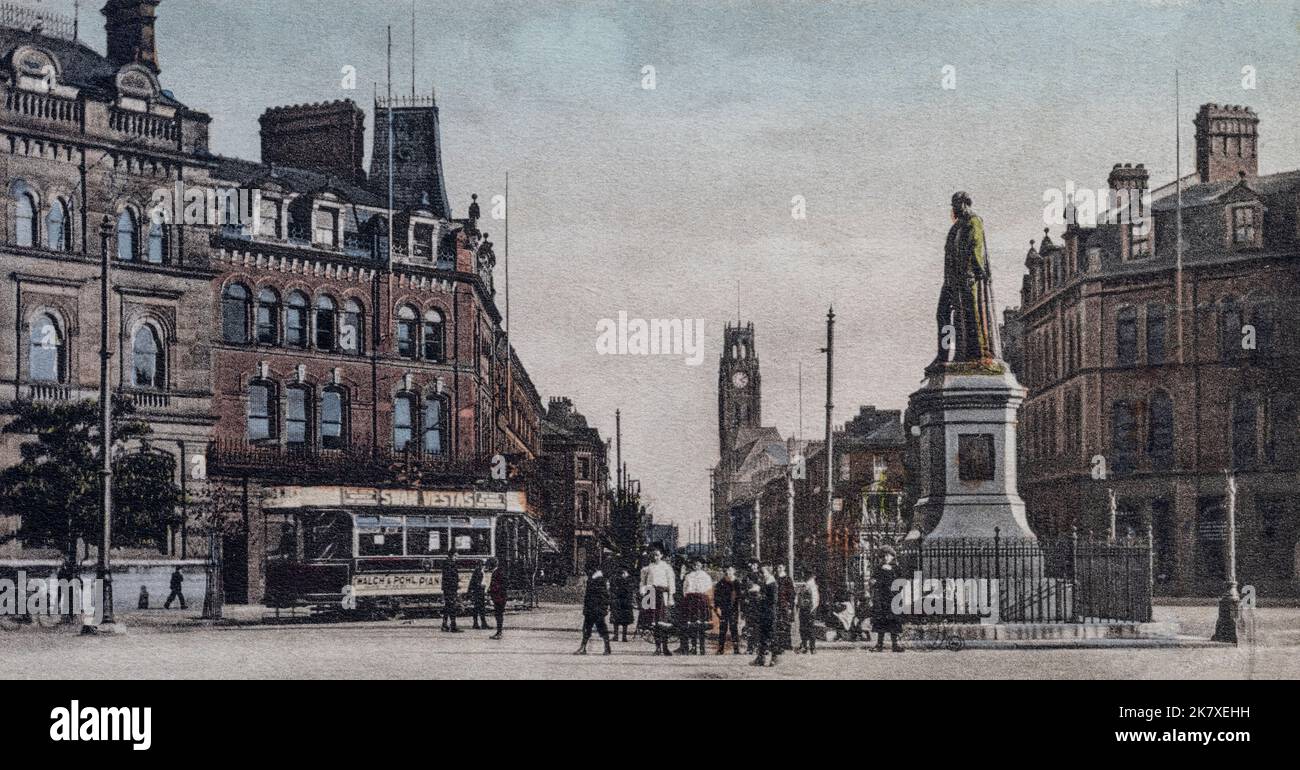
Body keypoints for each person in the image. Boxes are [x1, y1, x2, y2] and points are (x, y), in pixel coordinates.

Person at [639, 546, 676, 656]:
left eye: (658, 555)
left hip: (663, 594)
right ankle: (657, 647)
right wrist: (643, 593)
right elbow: (643, 582)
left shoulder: (667, 567)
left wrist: (670, 596)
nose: (656, 557)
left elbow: (671, 583)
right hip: (651, 593)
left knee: (663, 622)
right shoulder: (648, 568)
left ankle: (665, 647)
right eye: (654, 555)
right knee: (654, 623)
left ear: (662, 555)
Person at [869, 547, 904, 652]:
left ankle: (895, 644)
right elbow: (873, 581)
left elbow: (901, 582)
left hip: (893, 597)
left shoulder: (896, 568)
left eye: (888, 555)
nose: (886, 557)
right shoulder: (878, 568)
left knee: (894, 621)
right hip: (881, 598)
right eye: (883, 556)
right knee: (881, 621)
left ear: (892, 556)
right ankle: (879, 644)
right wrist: (873, 582)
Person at [576, 563, 612, 655]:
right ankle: (606, 648)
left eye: (587, 571)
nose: (586, 573)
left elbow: (604, 596)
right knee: (593, 628)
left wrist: (602, 608)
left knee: (595, 628)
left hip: (595, 609)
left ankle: (605, 648)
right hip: (594, 609)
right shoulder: (596, 579)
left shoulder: (598, 580)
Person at [681, 558, 713, 655]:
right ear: (692, 565)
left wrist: (707, 600)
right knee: (692, 625)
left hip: (702, 601)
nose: (696, 566)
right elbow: (685, 589)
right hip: (691, 601)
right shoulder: (688, 576)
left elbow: (709, 588)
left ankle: (702, 648)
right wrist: (688, 598)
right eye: (695, 565)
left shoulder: (706, 576)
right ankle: (694, 646)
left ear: (701, 565)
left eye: (698, 565)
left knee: (702, 625)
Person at [751, 565, 778, 667]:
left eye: (763, 572)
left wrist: (761, 598)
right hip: (763, 612)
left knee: (771, 636)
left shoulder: (773, 584)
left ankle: (774, 657)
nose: (762, 575)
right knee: (762, 636)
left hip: (770, 613)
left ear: (769, 572)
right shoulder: (764, 583)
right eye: (761, 573)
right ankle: (760, 658)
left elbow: (773, 601)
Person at [713, 566, 742, 655]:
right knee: (723, 628)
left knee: (734, 628)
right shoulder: (721, 582)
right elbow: (717, 594)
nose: (729, 572)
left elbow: (740, 596)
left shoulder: (737, 582)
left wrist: (740, 608)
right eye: (728, 570)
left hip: (734, 608)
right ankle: (720, 649)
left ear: (734, 571)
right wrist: (717, 606)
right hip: (724, 608)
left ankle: (736, 649)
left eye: (731, 570)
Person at [740, 560, 762, 654]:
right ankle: (750, 647)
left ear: (757, 565)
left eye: (755, 564)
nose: (753, 566)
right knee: (749, 625)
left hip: (758, 603)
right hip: (749, 603)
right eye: (751, 564)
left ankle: (758, 647)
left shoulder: (761, 576)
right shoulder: (746, 577)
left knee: (758, 626)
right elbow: (742, 591)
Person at [610, 565, 637, 642]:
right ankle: (618, 636)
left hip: (623, 601)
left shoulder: (627, 579)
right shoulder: (618, 578)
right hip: (622, 601)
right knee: (618, 619)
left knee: (623, 619)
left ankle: (622, 636)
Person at [796, 571, 820, 654]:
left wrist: (811, 609)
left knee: (806, 628)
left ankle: (807, 646)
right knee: (808, 628)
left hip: (808, 609)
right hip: (808, 609)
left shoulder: (810, 586)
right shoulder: (809, 585)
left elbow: (814, 599)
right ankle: (809, 647)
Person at [775, 563, 795, 652]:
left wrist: (790, 606)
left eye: (780, 567)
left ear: (784, 568)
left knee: (786, 623)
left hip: (785, 604)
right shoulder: (775, 578)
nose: (779, 569)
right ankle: (779, 644)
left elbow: (791, 593)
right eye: (778, 567)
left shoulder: (787, 579)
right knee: (778, 624)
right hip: (776, 604)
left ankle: (787, 644)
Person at [486, 557, 507, 639]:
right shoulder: (497, 571)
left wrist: (492, 589)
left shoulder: (498, 572)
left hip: (500, 597)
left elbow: (502, 584)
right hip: (499, 596)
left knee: (499, 615)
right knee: (498, 615)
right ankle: (499, 632)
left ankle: (499, 632)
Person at [441, 548, 461, 632]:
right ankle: (453, 626)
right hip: (450, 588)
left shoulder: (448, 563)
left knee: (448, 606)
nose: (457, 557)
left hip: (448, 588)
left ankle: (445, 624)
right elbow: (450, 577)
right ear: (451, 555)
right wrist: (456, 584)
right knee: (452, 606)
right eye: (455, 556)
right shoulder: (449, 564)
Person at [468, 562, 488, 629]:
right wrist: (482, 586)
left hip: (479, 592)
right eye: (483, 565)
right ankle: (480, 623)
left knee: (478, 608)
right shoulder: (478, 572)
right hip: (478, 592)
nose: (484, 566)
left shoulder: (480, 571)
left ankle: (479, 623)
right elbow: (476, 583)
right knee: (480, 608)